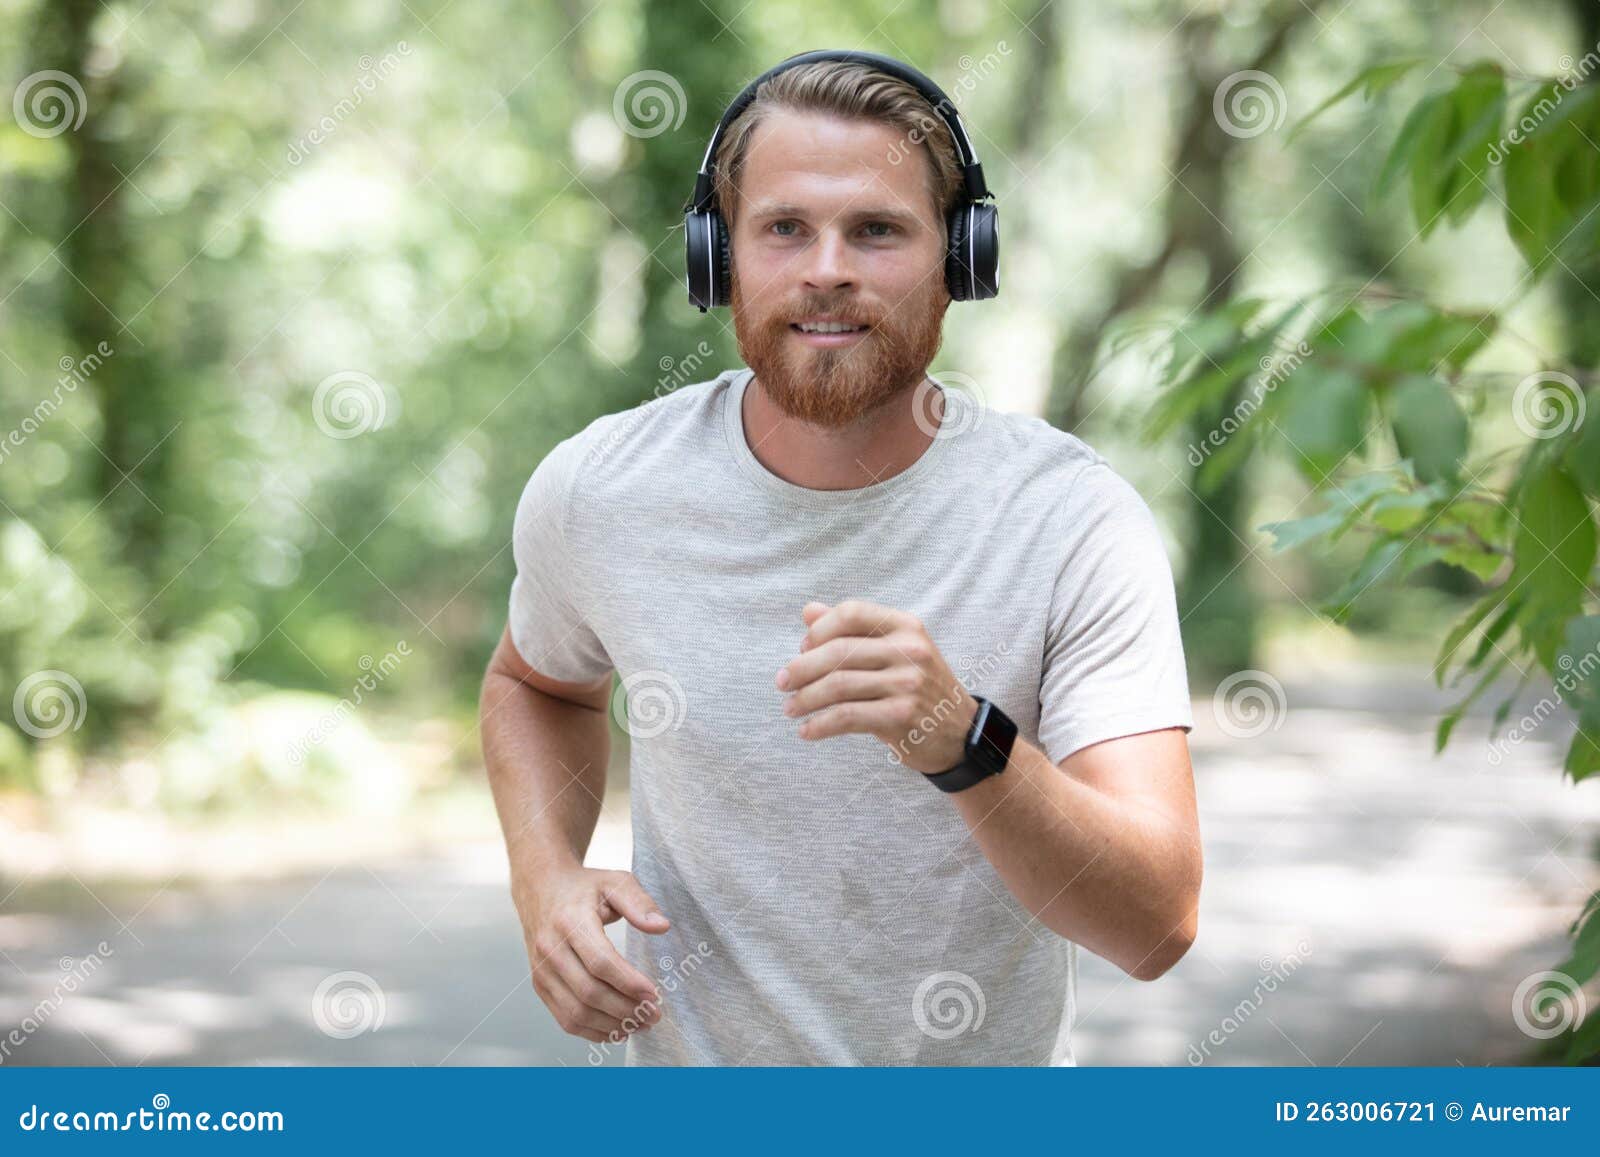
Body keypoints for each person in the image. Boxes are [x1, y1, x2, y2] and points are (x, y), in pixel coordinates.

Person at [479, 51, 1201, 1066]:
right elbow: (535, 683)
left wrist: (965, 739)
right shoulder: (599, 490)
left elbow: (1156, 925)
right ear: (719, 258)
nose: (826, 268)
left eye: (876, 230)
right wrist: (542, 873)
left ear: (960, 259)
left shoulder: (1075, 522)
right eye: (784, 228)